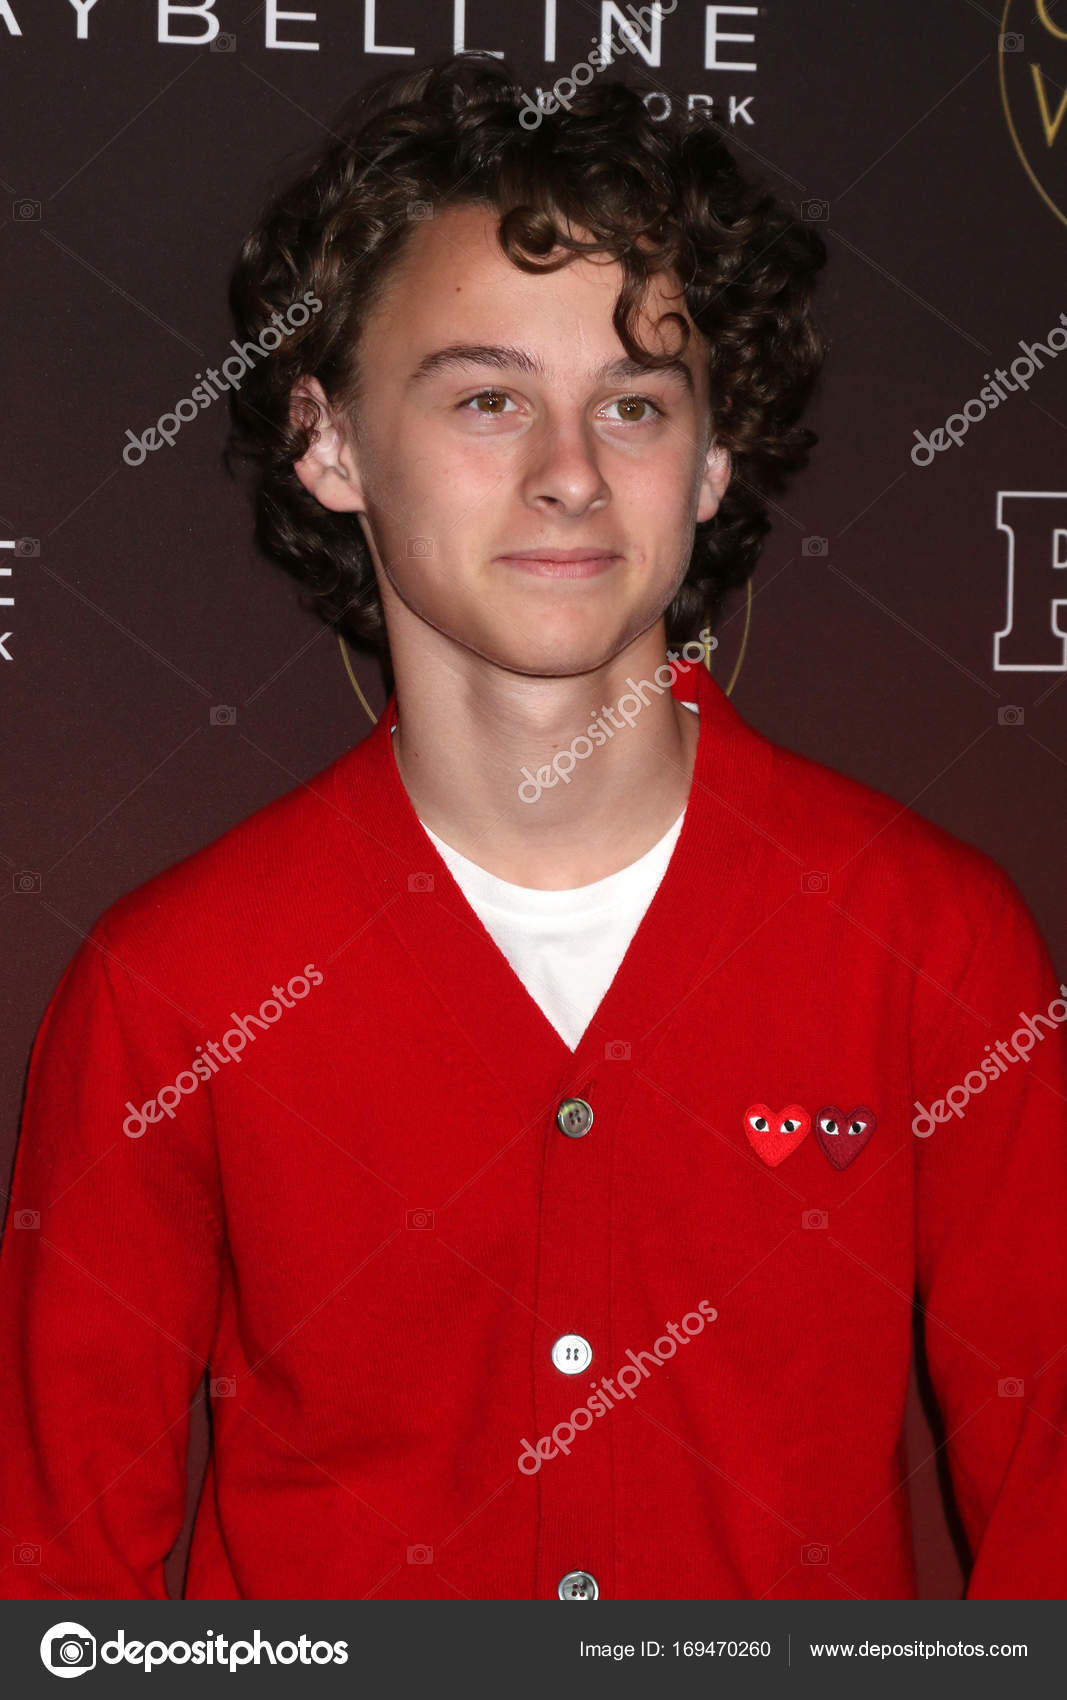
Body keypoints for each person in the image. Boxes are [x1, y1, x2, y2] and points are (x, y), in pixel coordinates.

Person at [1, 51, 1065, 1604]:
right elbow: (56, 1586)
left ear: (711, 459)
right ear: (332, 442)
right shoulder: (175, 987)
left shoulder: (934, 943)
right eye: (489, 398)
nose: (570, 475)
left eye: (633, 404)